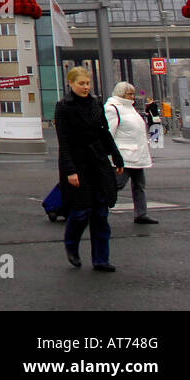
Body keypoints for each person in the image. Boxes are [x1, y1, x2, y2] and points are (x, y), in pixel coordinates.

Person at [55, 67, 124, 271]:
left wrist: (117, 156)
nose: (86, 87)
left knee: (101, 214)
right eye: (81, 84)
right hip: (78, 163)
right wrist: (70, 171)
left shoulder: (95, 104)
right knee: (81, 213)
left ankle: (101, 259)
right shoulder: (63, 107)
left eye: (87, 83)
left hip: (98, 162)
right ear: (71, 84)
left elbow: (104, 133)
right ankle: (71, 246)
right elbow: (64, 142)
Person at [105, 82, 157, 225]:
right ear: (122, 94)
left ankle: (141, 214)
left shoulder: (129, 108)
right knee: (116, 184)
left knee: (139, 185)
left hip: (136, 154)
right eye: (130, 94)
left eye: (133, 93)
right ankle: (94, 209)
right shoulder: (113, 108)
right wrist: (111, 153)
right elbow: (108, 133)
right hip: (124, 155)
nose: (133, 96)